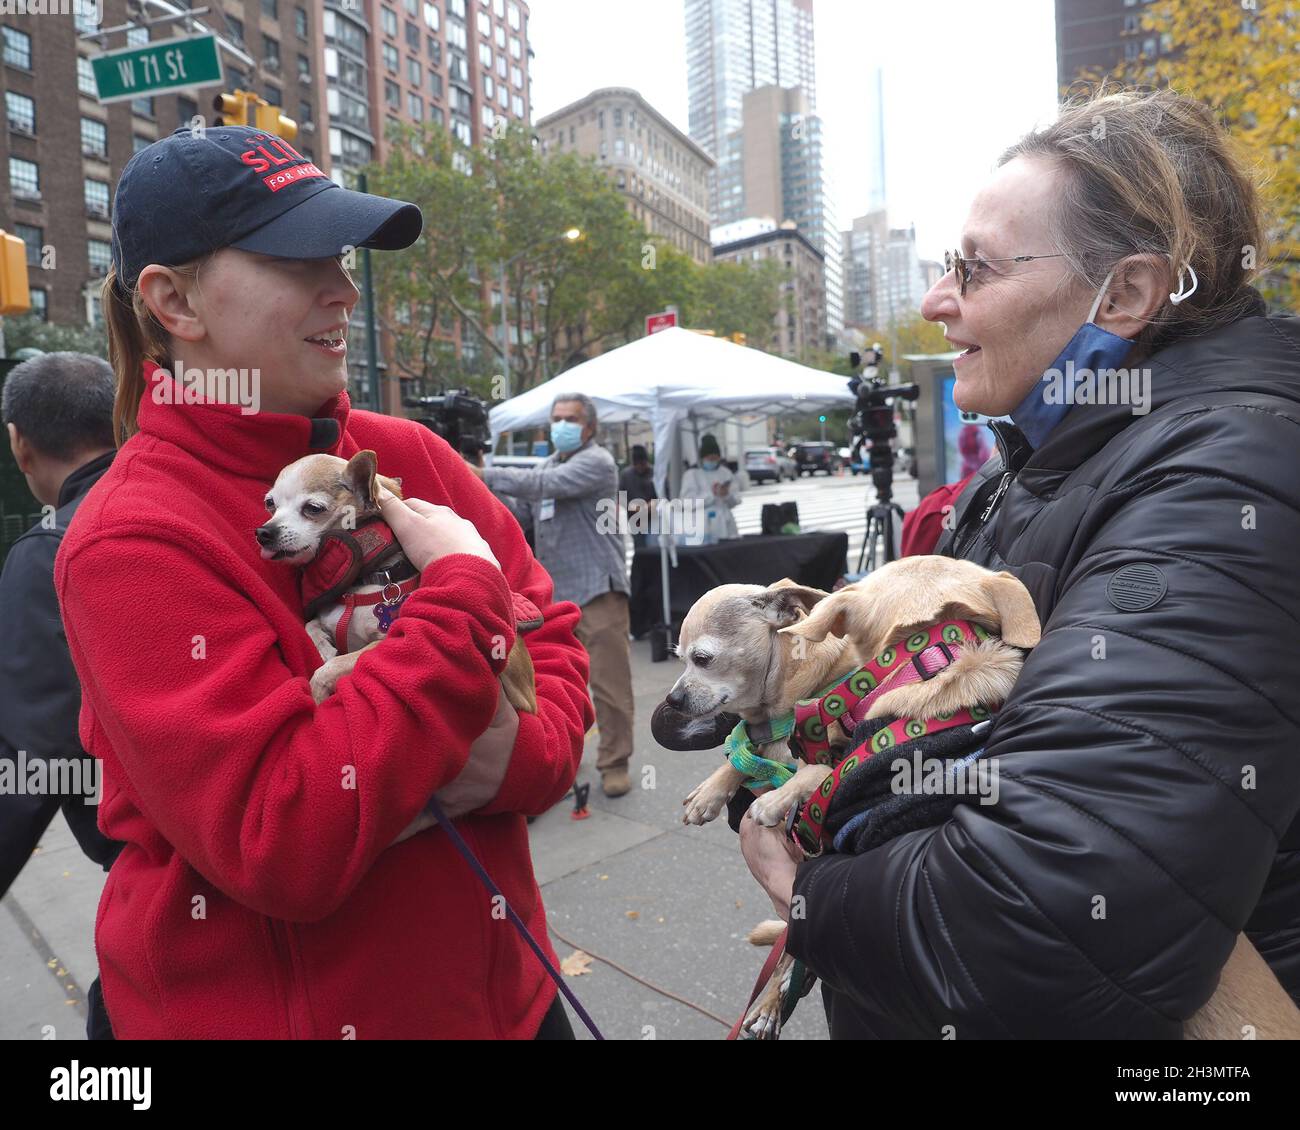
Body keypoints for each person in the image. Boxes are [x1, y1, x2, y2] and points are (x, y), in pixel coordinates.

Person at [739, 88, 1300, 1037]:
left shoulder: (1226, 474)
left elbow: (1044, 923)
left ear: (1124, 294)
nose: (934, 301)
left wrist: (815, 894)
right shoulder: (1052, 456)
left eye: (975, 270)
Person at [54, 125, 594, 1040]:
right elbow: (289, 838)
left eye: (341, 258)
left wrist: (519, 763)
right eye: (297, 259)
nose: (343, 290)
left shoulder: (411, 454)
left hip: (512, 1001)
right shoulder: (128, 538)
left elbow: (557, 654)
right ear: (174, 299)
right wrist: (460, 591)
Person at [0, 353, 124, 909]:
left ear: (18, 443)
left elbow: (36, 761)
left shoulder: (51, 550)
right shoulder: (179, 497)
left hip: (161, 874)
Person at [473, 394, 635, 798]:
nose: (562, 425)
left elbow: (545, 485)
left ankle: (615, 762)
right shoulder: (548, 466)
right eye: (556, 418)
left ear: (590, 427)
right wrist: (476, 491)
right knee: (561, 685)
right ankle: (562, 763)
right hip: (557, 599)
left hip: (599, 590)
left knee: (610, 688)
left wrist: (481, 473)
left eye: (571, 419)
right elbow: (520, 516)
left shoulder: (596, 462)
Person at [678, 433, 740, 545]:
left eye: (715, 458)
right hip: (703, 526)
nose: (712, 461)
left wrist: (726, 495)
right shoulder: (692, 475)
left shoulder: (725, 473)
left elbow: (736, 500)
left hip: (726, 524)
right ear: (702, 458)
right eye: (709, 458)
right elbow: (687, 503)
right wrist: (711, 495)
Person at [618, 444, 657, 548]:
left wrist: (653, 504)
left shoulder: (655, 473)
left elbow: (664, 494)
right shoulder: (626, 475)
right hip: (636, 521)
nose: (640, 467)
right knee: (640, 549)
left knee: (655, 549)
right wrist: (633, 507)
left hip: (654, 519)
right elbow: (621, 499)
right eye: (637, 465)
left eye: (643, 464)